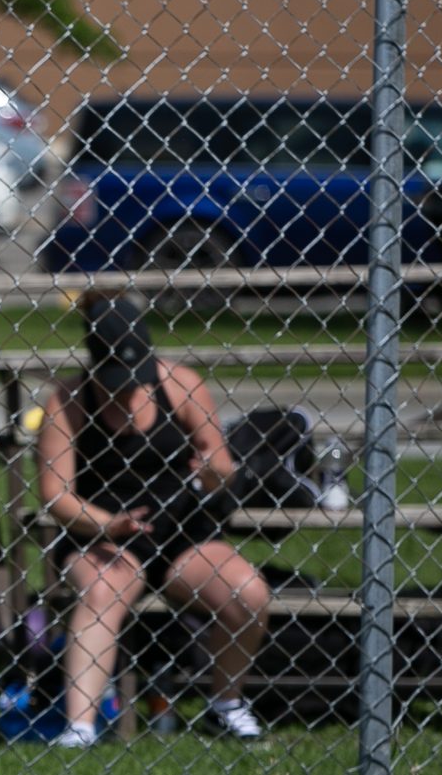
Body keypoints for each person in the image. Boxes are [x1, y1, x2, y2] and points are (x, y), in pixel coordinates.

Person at [36, 295, 271, 745]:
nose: (127, 393)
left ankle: (225, 704)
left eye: (134, 381)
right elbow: (56, 496)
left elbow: (221, 463)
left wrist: (215, 472)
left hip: (182, 534)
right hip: (102, 534)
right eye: (116, 383)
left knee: (248, 592)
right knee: (103, 589)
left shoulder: (180, 384)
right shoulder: (68, 400)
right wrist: (109, 525)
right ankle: (80, 727)